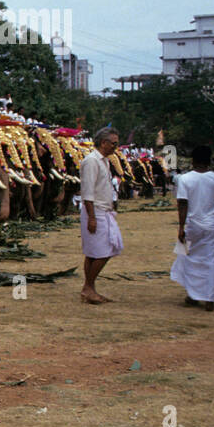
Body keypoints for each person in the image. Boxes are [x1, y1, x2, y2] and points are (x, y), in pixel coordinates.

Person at [170, 145, 214, 311]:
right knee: (211, 261)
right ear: (209, 160)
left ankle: (193, 295)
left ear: (193, 160)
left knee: (189, 258)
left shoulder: (185, 179)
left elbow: (182, 203)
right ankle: (209, 299)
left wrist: (181, 227)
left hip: (193, 224)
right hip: (212, 224)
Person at [78, 126, 122, 304]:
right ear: (103, 142)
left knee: (94, 252)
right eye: (114, 144)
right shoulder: (91, 161)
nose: (115, 147)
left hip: (105, 210)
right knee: (105, 251)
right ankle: (88, 287)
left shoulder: (104, 161)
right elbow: (87, 191)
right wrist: (92, 217)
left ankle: (89, 288)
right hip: (95, 211)